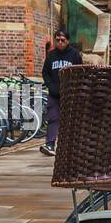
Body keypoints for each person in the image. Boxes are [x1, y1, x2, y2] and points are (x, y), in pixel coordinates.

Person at [40, 28, 82, 156]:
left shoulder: (74, 55)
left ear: (67, 41)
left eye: (62, 40)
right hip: (54, 94)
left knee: (70, 120)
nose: (60, 43)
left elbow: (80, 72)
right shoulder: (51, 55)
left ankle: (71, 146)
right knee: (53, 119)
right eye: (57, 40)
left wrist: (74, 88)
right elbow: (45, 72)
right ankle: (50, 144)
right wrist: (51, 86)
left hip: (70, 94)